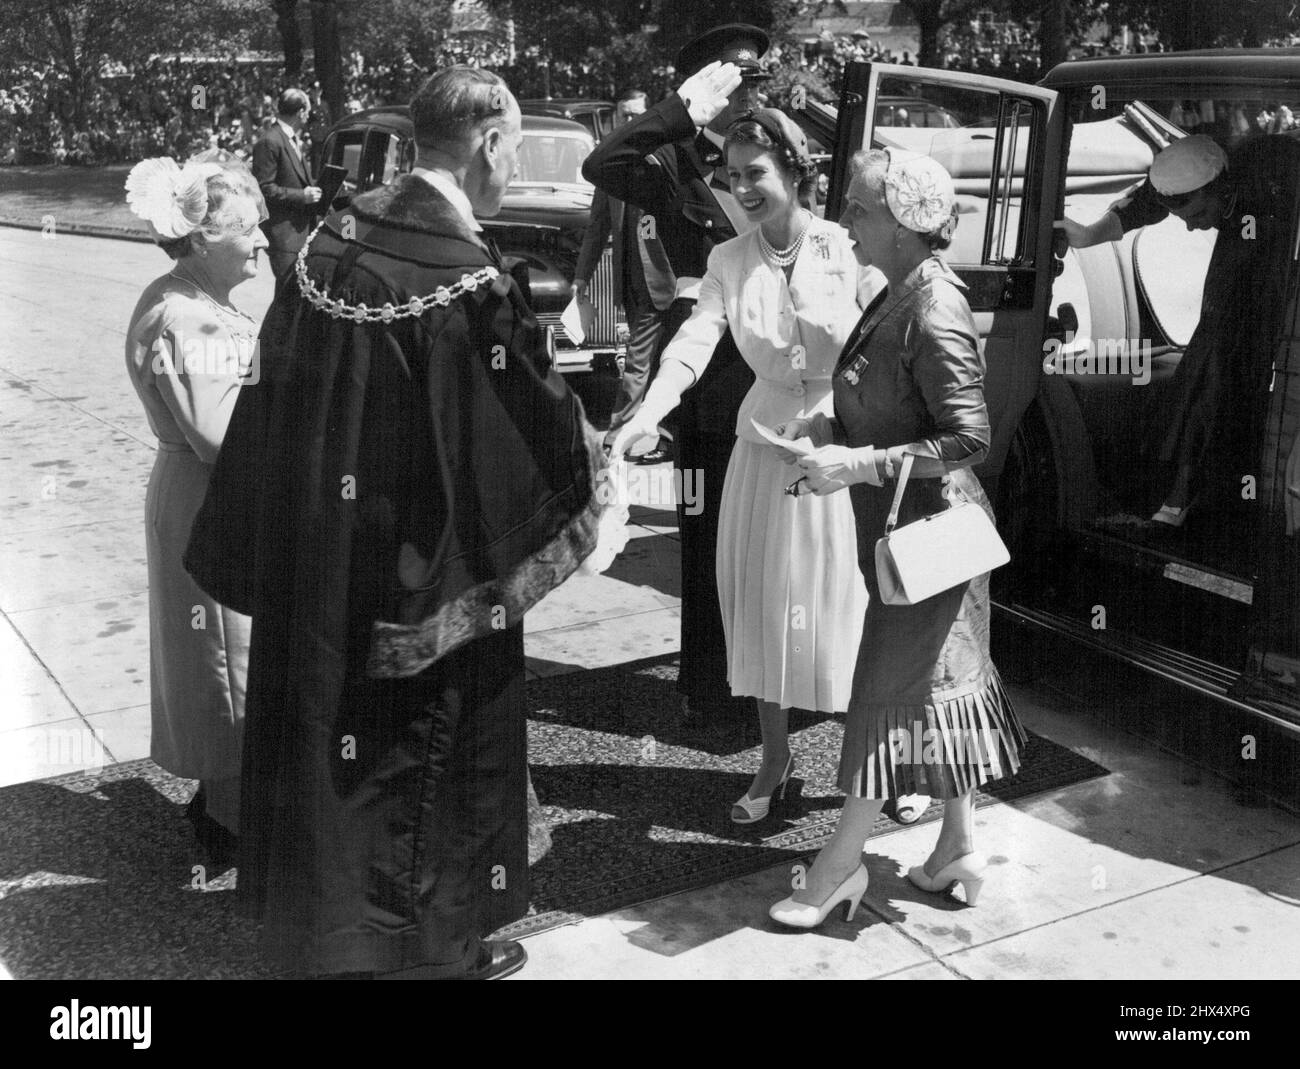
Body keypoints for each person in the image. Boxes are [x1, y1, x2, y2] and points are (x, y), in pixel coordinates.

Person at [183, 66, 606, 980]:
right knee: (432, 752)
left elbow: (273, 398)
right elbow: (512, 440)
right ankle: (438, 953)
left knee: (335, 749)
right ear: (492, 145)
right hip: (423, 566)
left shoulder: (334, 237)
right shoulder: (461, 280)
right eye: (515, 148)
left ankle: (323, 940)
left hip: (325, 556)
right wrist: (586, 455)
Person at [767, 150, 1027, 927]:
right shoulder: (900, 290)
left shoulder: (933, 304)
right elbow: (889, 397)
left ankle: (838, 869)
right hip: (916, 535)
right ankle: (956, 847)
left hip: (931, 540)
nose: (846, 221)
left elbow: (969, 437)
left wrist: (857, 462)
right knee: (940, 689)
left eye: (860, 209)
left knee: (883, 697)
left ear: (906, 223)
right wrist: (828, 425)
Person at [611, 108, 872, 824]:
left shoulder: (847, 248)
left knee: (846, 609)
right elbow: (693, 344)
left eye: (756, 171)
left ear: (794, 170)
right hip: (760, 454)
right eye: (732, 175)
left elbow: (881, 346)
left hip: (838, 454)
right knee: (760, 612)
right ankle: (774, 760)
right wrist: (647, 412)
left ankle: (880, 764)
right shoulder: (730, 259)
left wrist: (839, 419)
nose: (744, 188)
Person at [582, 24, 769, 720]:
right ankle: (707, 687)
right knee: (705, 532)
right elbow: (600, 165)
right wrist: (674, 114)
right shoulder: (670, 164)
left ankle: (767, 681)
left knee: (766, 539)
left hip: (775, 376)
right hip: (709, 378)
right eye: (734, 80)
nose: (749, 92)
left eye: (753, 81)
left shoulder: (767, 150)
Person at [122, 154, 267, 865]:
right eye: (251, 232)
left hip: (199, 498)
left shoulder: (185, 297)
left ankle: (223, 807)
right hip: (214, 504)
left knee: (223, 656)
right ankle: (235, 826)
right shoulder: (187, 316)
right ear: (205, 238)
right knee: (226, 662)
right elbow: (223, 436)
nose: (265, 244)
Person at [1060, 133, 1300, 527]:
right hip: (1240, 290)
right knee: (1202, 373)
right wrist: (1087, 236)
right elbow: (1143, 204)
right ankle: (1177, 502)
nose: (1190, 230)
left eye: (1197, 217)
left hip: (1278, 296)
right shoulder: (1203, 181)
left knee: (1218, 375)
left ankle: (1181, 504)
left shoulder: (1265, 191)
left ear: (1219, 188)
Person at [572, 89, 679, 460]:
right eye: (622, 115)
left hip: (666, 278)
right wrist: (582, 276)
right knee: (656, 356)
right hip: (629, 278)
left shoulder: (664, 156)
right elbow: (597, 225)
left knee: (640, 357)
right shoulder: (609, 168)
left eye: (635, 114)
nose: (627, 121)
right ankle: (664, 436)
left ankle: (618, 433)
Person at [251, 87, 321, 281]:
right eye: (307, 111)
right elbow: (264, 189)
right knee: (287, 293)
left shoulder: (289, 139)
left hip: (299, 231)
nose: (308, 116)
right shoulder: (270, 141)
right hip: (283, 234)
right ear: (301, 112)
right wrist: (302, 196)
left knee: (292, 294)